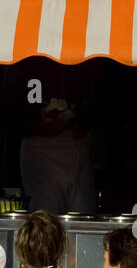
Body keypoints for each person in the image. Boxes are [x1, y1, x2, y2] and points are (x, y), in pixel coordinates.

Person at [9, 57, 97, 214]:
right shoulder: (22, 60)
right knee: (46, 217)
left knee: (82, 215)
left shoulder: (82, 57)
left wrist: (82, 123)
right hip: (39, 148)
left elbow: (95, 99)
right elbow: (8, 117)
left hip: (76, 144)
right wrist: (42, 127)